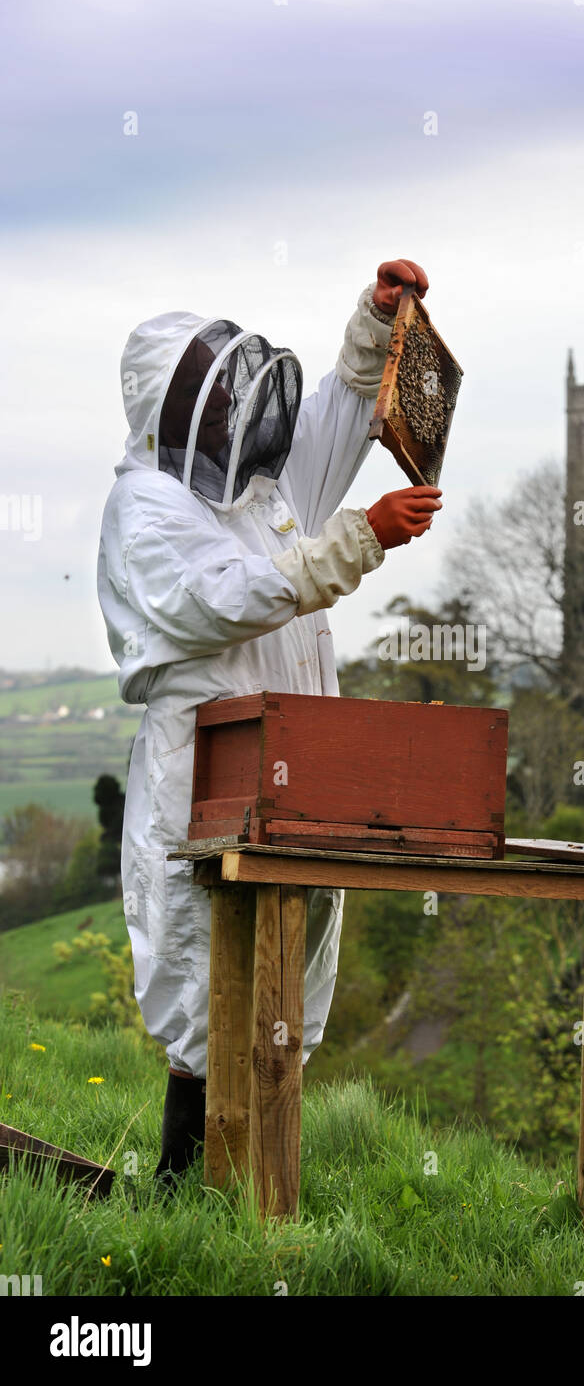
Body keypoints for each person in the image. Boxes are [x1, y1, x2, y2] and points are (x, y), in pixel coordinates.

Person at [96, 260, 441, 1183]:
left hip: (299, 761)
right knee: (205, 973)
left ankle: (257, 1190)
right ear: (173, 413)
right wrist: (361, 537)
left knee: (296, 962)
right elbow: (225, 599)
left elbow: (333, 420)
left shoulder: (257, 488)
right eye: (210, 404)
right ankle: (188, 1190)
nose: (229, 416)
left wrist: (376, 329)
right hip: (201, 768)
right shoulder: (149, 507)